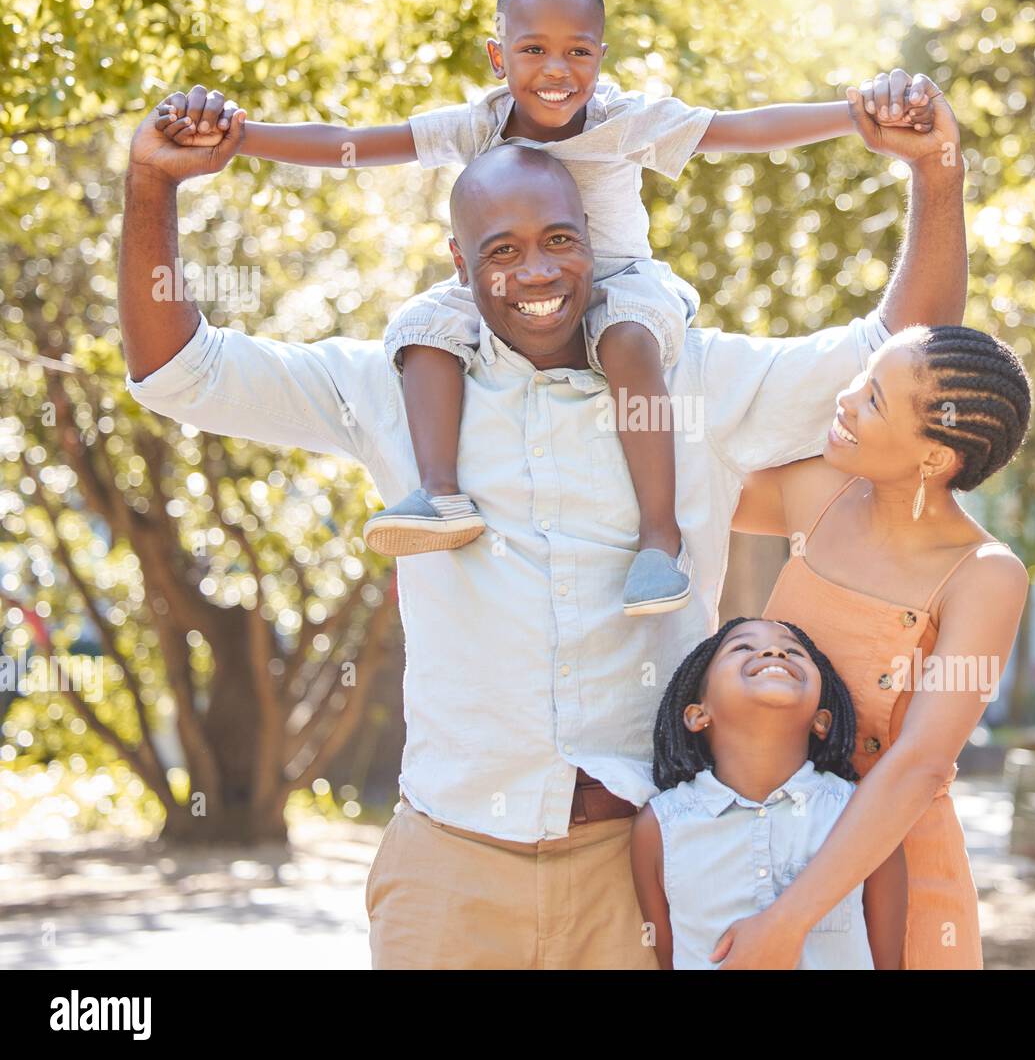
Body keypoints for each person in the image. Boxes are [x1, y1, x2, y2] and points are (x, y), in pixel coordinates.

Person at [119, 71, 968, 969]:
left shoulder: (694, 380)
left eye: (561, 240)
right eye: (502, 250)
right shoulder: (396, 384)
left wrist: (935, 173)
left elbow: (900, 354)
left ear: (593, 241)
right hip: (449, 867)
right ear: (458, 261)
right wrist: (152, 182)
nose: (538, 272)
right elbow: (180, 372)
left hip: (640, 865)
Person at [157, 0, 932, 617]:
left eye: (578, 53)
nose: (557, 72)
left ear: (601, 55)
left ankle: (660, 538)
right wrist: (243, 140)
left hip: (621, 282)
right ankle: (440, 492)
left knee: (628, 343)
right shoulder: (477, 123)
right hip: (513, 283)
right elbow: (356, 144)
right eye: (533, 50)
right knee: (422, 327)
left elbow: (743, 129)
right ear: (499, 58)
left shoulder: (627, 121)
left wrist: (856, 118)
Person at [719, 323, 1032, 967]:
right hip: (759, 850)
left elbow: (918, 764)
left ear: (934, 460)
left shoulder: (985, 576)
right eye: (864, 379)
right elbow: (684, 494)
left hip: (899, 882)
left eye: (874, 400)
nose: (846, 397)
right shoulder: (814, 492)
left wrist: (790, 920)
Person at [632, 617, 908, 970]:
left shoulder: (863, 813)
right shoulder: (659, 828)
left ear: (821, 720)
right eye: (742, 647)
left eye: (794, 652)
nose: (774, 651)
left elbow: (887, 961)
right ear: (698, 714)